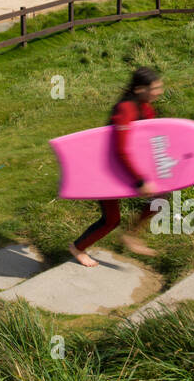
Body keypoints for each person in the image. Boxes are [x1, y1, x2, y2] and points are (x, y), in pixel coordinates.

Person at [69, 67, 165, 267]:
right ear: (139, 89)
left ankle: (131, 235)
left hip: (125, 169)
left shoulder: (145, 107)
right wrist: (140, 181)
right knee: (111, 220)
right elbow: (120, 150)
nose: (159, 92)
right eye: (154, 88)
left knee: (161, 197)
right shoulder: (125, 109)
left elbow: (147, 140)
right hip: (105, 170)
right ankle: (77, 248)